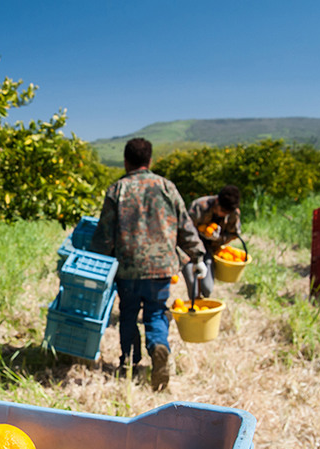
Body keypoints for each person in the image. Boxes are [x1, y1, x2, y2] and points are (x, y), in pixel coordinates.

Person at [89, 137, 208, 391]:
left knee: (128, 314)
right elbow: (185, 226)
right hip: (161, 266)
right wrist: (197, 256)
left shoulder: (117, 189)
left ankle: (129, 362)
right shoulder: (166, 187)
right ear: (150, 160)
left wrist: (93, 260)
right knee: (155, 312)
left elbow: (105, 234)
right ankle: (158, 346)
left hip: (129, 267)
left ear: (125, 161)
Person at [182, 186, 242, 300]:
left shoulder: (233, 212)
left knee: (207, 289)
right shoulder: (199, 206)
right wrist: (200, 233)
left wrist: (219, 238)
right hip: (190, 250)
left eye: (227, 213)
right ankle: (195, 306)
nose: (224, 215)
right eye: (222, 211)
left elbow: (234, 234)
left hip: (209, 249)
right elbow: (184, 232)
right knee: (194, 291)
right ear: (217, 201)